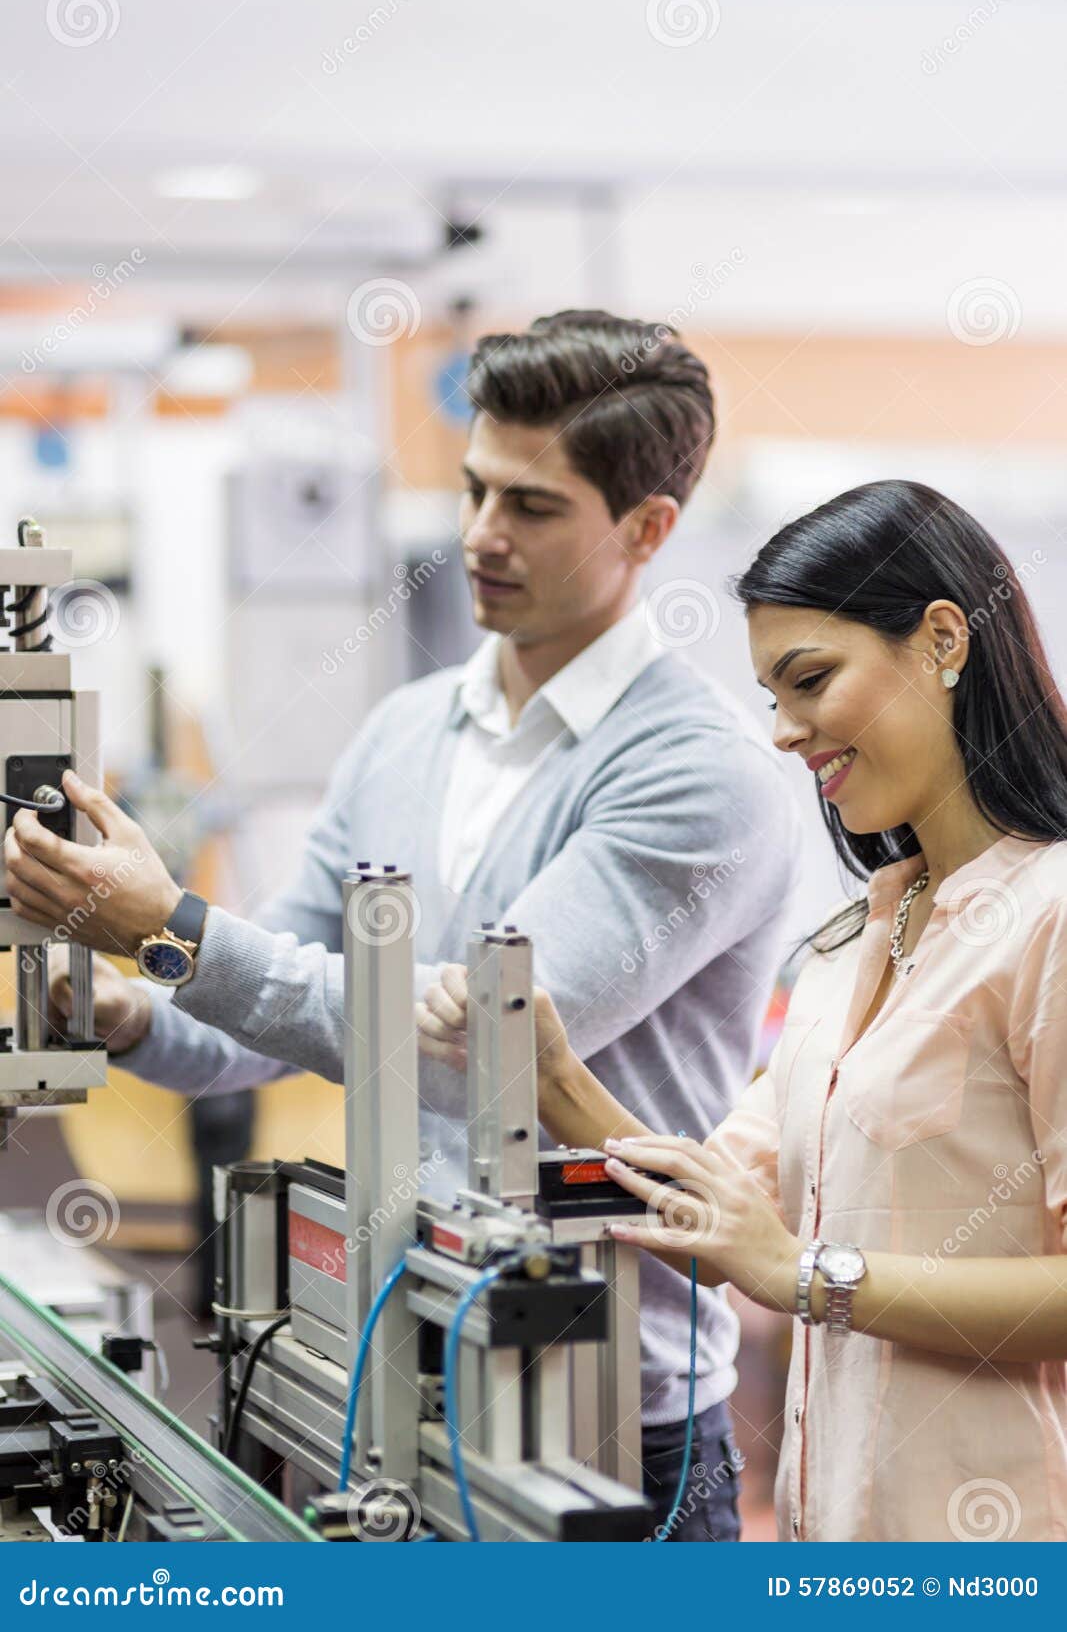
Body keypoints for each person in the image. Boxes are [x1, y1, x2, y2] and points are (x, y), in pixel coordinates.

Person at [5, 310, 799, 1539]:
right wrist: (121, 1004)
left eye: (531, 507)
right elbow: (271, 1012)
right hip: (376, 1362)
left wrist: (168, 925)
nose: (480, 534)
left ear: (647, 529)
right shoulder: (406, 731)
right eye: (476, 487)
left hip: (595, 1418)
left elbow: (475, 1051)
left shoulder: (698, 777)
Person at [422, 479, 1067, 1542]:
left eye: (808, 679)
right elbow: (721, 1200)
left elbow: (777, 1260)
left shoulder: (1047, 919)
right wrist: (547, 1074)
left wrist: (805, 1278)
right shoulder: (857, 937)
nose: (781, 731)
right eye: (769, 694)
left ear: (942, 640)